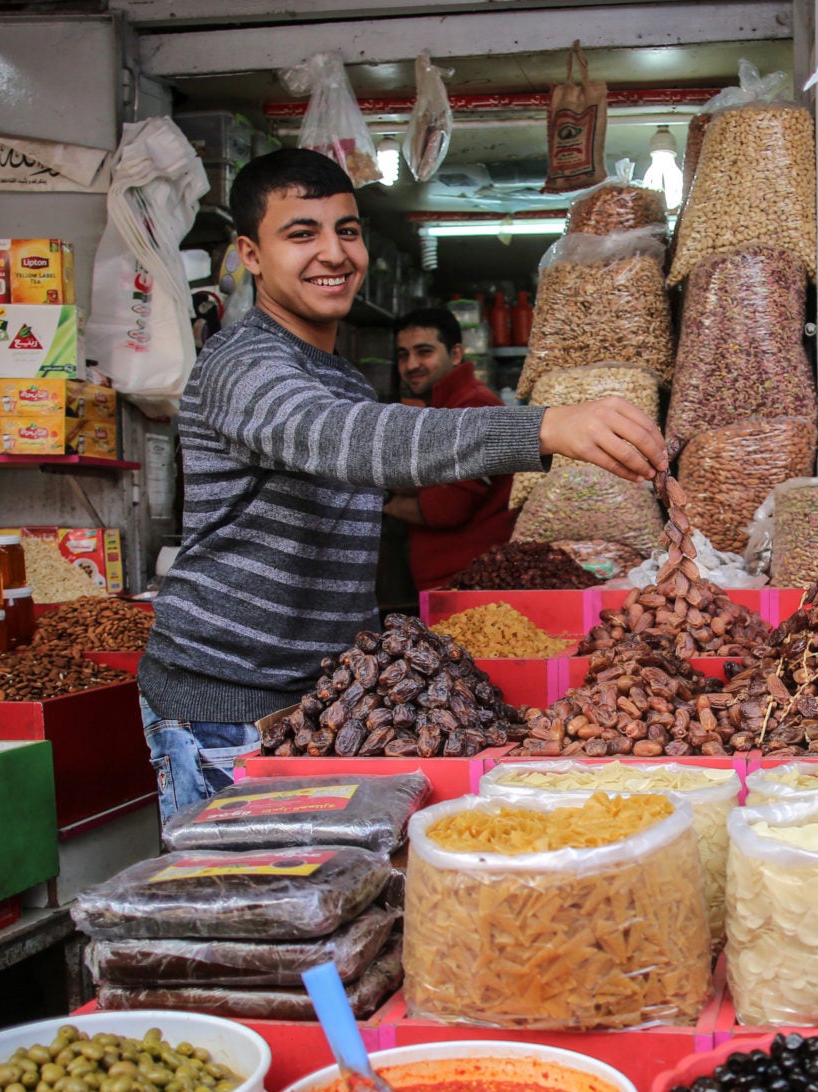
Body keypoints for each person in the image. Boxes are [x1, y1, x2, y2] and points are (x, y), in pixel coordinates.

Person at [139, 149, 664, 818]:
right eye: (301, 234)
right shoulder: (241, 363)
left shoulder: (343, 378)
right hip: (222, 703)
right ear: (250, 252)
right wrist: (540, 428)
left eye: (347, 230)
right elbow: (348, 439)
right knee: (233, 903)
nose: (334, 253)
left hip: (316, 704)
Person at [382, 307, 521, 588]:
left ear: (456, 354)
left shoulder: (474, 407)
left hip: (468, 585)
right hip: (447, 583)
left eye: (424, 352)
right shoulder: (441, 408)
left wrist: (378, 501)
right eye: (403, 355)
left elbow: (447, 509)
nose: (411, 365)